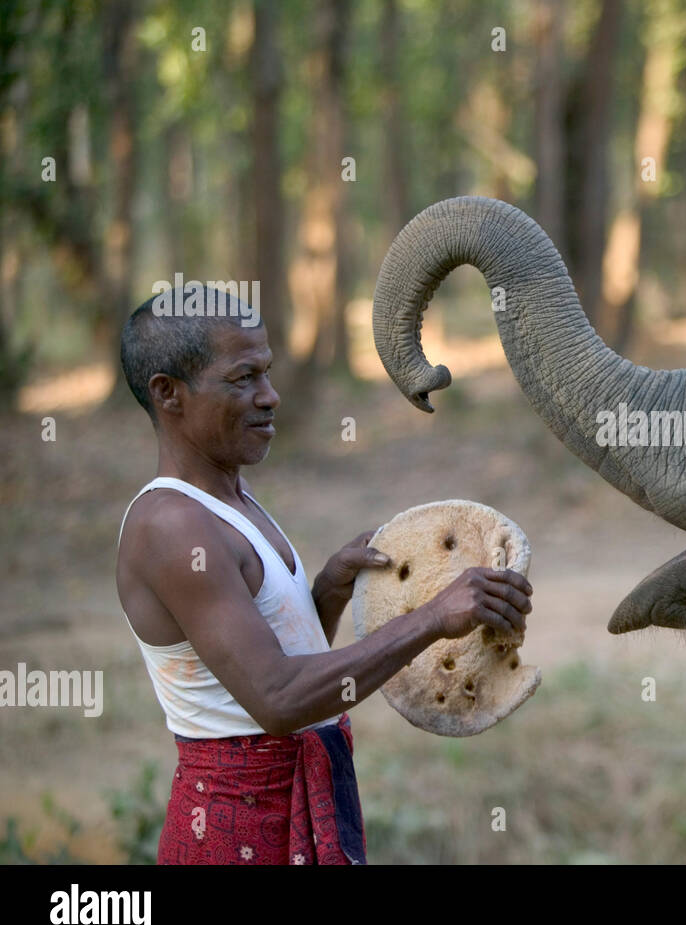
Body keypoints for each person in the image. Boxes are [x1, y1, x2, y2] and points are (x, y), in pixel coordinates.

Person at [114, 288, 532, 864]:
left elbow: (277, 657)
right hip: (237, 824)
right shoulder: (173, 525)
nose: (270, 396)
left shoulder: (231, 497)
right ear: (169, 394)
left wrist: (328, 591)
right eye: (243, 379)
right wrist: (432, 618)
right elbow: (278, 698)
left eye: (267, 372)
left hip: (295, 801)